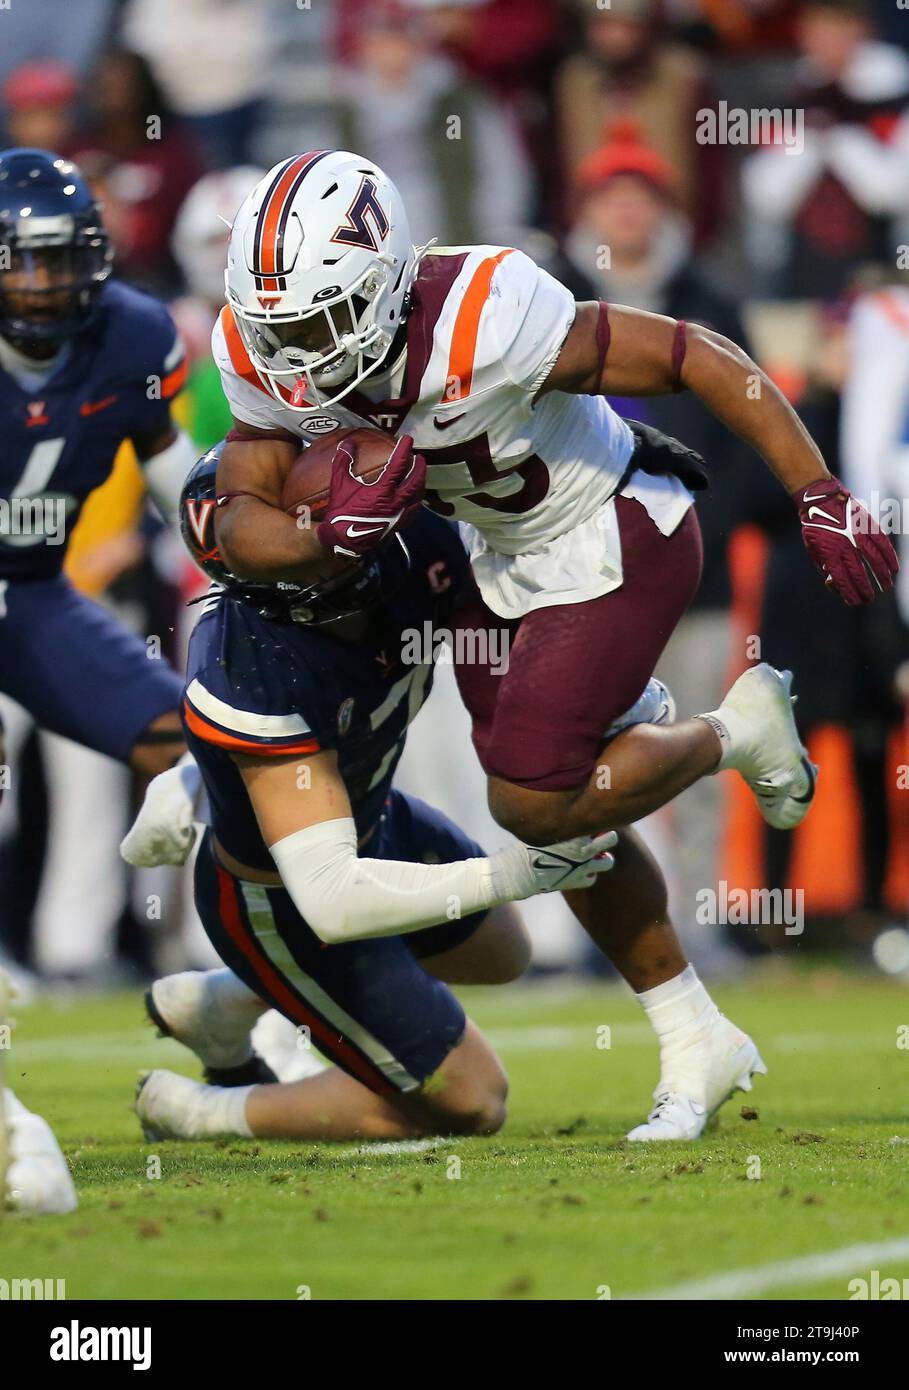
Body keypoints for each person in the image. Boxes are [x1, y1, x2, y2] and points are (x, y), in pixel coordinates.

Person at [199, 150, 897, 1136]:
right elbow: (239, 513)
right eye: (279, 329)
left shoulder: (487, 311)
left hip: (615, 530)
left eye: (319, 322)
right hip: (497, 555)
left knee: (531, 793)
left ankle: (731, 729)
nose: (299, 357)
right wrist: (321, 539)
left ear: (390, 281)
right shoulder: (267, 350)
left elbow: (695, 353)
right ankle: (694, 1031)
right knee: (564, 813)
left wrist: (815, 487)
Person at [134, 444, 760, 1144]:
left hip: (377, 817)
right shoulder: (246, 662)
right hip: (285, 898)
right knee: (471, 1102)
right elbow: (332, 899)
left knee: (501, 953)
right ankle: (194, 1109)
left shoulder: (413, 544)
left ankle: (228, 1002)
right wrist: (511, 873)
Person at [0, 149, 196, 828]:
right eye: (22, 262)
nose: (43, 283)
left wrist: (235, 555)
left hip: (32, 595)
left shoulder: (131, 336)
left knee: (203, 756)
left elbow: (174, 470)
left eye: (59, 261)